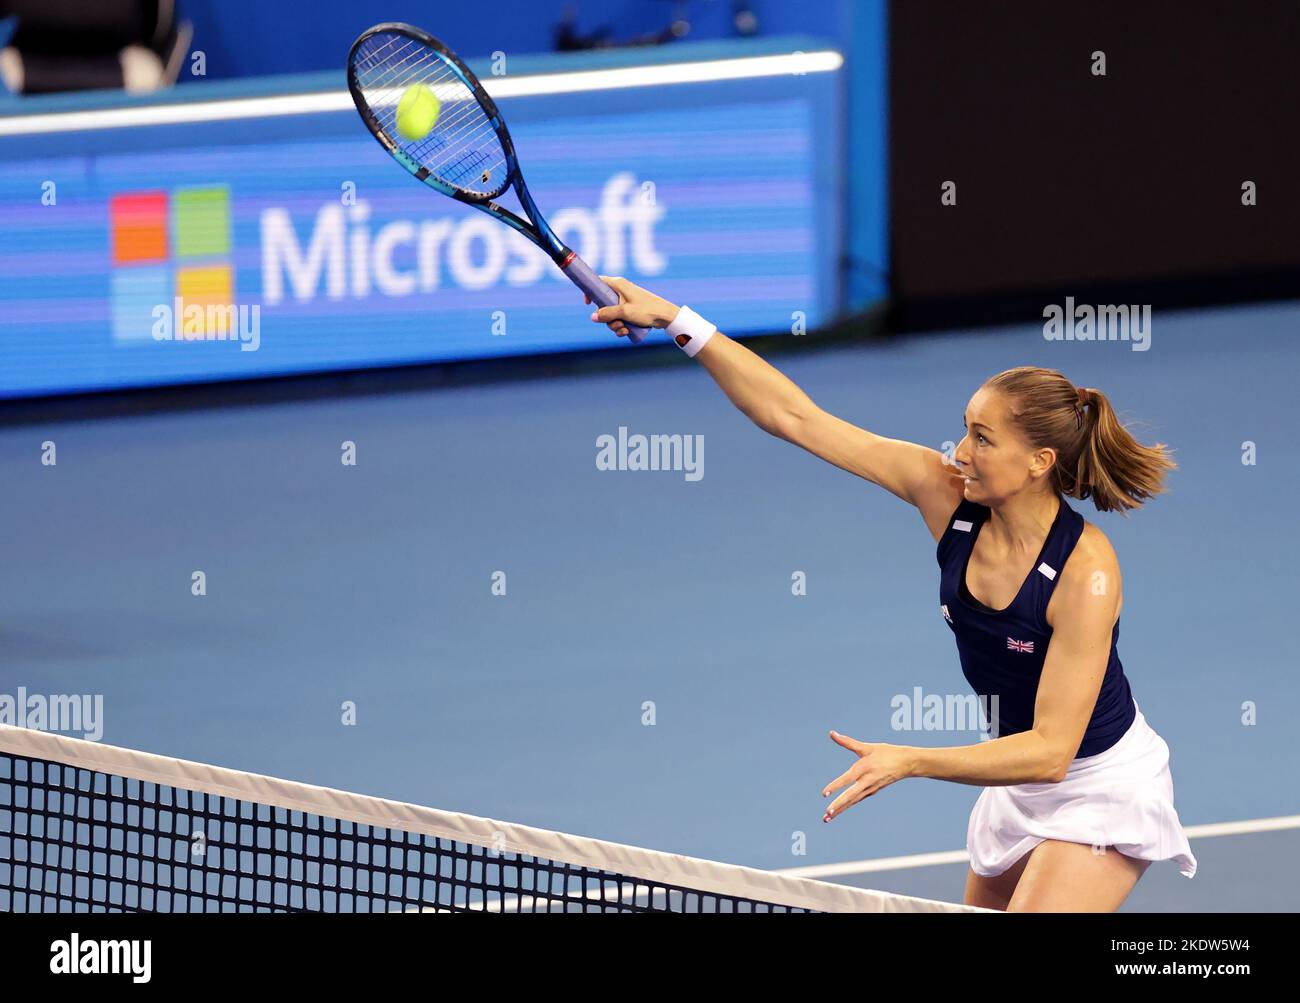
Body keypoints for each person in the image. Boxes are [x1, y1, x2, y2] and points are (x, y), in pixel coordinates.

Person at [586, 279, 1197, 912]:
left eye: (984, 439)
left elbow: (1050, 753)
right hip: (1017, 784)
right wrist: (680, 320)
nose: (961, 452)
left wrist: (911, 759)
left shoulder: (1085, 570)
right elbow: (795, 418)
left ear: (1040, 461)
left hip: (1095, 785)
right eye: (966, 430)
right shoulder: (946, 495)